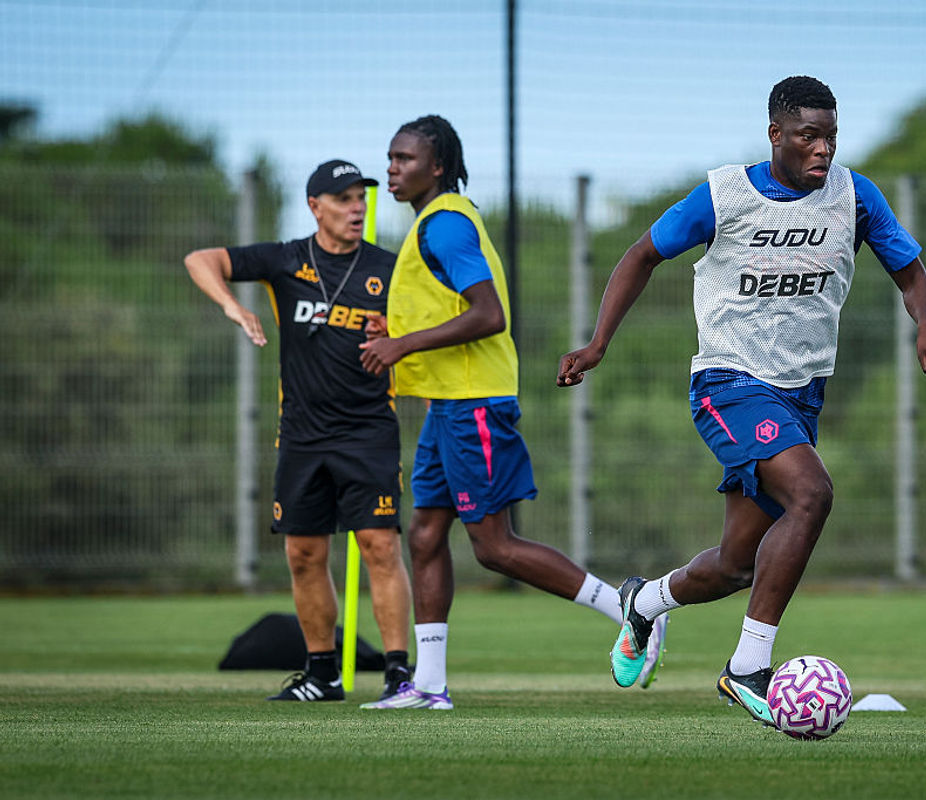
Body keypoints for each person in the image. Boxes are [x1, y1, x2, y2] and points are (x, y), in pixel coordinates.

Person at [556, 76, 926, 726]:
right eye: (807, 136)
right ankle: (748, 670)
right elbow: (639, 256)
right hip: (727, 384)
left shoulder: (855, 198)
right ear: (776, 135)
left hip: (800, 398)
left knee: (736, 567)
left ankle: (644, 604)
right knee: (813, 493)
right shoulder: (724, 194)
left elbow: (911, 275)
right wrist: (597, 342)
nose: (821, 149)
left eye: (829, 135)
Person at [358, 115, 665, 710]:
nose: (393, 168)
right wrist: (395, 330)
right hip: (446, 406)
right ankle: (429, 686)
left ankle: (629, 608)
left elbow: (488, 314)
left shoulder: (445, 226)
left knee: (494, 547)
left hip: (474, 404)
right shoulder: (431, 222)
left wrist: (400, 345)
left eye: (405, 159)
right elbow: (447, 310)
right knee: (423, 536)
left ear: (438, 166)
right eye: (391, 158)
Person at [184, 159, 414, 703]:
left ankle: (400, 674)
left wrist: (398, 328)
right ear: (315, 206)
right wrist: (232, 306)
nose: (356, 207)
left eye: (361, 197)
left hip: (368, 431)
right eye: (343, 199)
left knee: (380, 546)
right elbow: (200, 259)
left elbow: (432, 321)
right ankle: (322, 674)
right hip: (302, 437)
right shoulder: (285, 260)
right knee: (304, 554)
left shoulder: (390, 266)